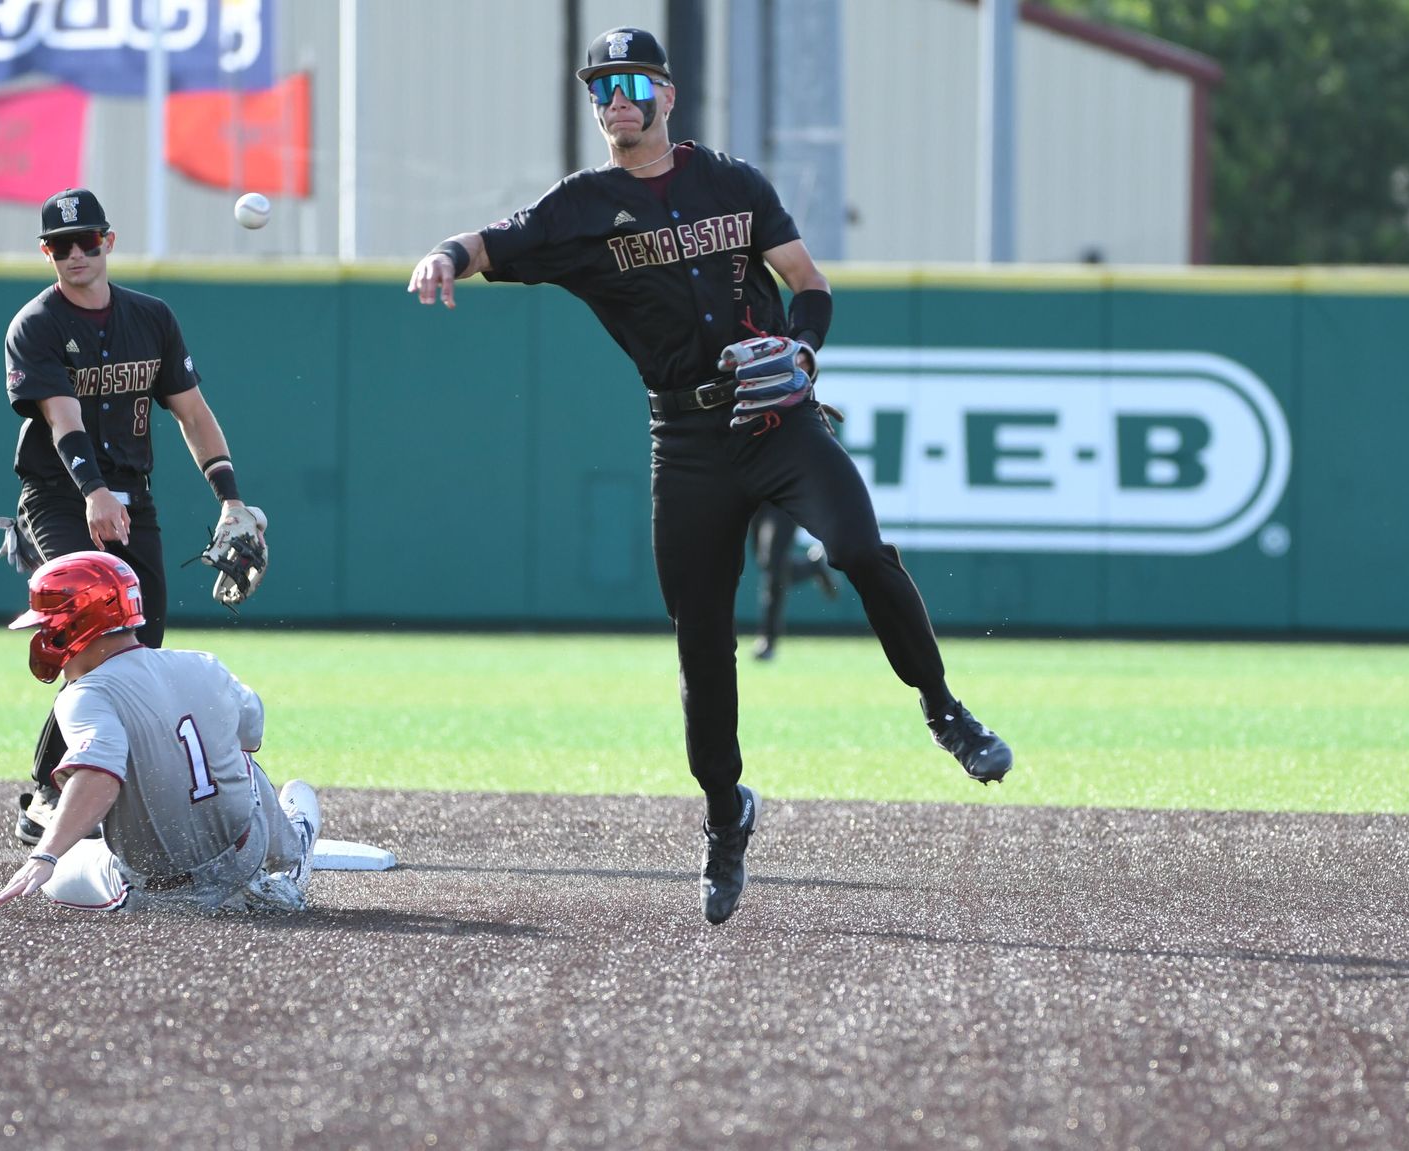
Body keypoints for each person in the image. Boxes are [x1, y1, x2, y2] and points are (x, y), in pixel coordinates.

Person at [409, 27, 1014, 926]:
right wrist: (444, 259)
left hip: (775, 417)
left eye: (629, 81)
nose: (613, 98)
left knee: (857, 545)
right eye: (599, 85)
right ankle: (726, 814)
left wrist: (803, 354)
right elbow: (492, 241)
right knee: (702, 645)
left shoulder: (732, 182)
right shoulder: (582, 207)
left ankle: (943, 708)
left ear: (666, 92)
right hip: (686, 438)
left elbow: (810, 285)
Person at [0, 187, 267, 848]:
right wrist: (94, 492)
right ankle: (47, 792)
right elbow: (63, 421)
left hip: (130, 494)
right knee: (93, 639)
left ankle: (104, 785)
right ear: (46, 252)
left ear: (108, 242)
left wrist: (230, 498)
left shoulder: (150, 318)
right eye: (61, 245)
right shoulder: (35, 325)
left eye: (87, 240)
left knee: (140, 644)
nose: (76, 254)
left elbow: (193, 414)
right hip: (62, 494)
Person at [0, 551, 320, 914]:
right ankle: (288, 857)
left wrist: (45, 856)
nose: (44, 636)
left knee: (62, 869)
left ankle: (276, 864)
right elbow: (251, 736)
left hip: (158, 894)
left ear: (74, 626)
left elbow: (99, 775)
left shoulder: (83, 695)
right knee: (237, 757)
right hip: (243, 857)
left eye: (48, 626)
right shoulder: (205, 664)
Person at [747, 502, 839, 661]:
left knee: (773, 564)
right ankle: (813, 566)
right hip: (755, 496)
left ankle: (768, 639)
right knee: (766, 563)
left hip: (782, 496)